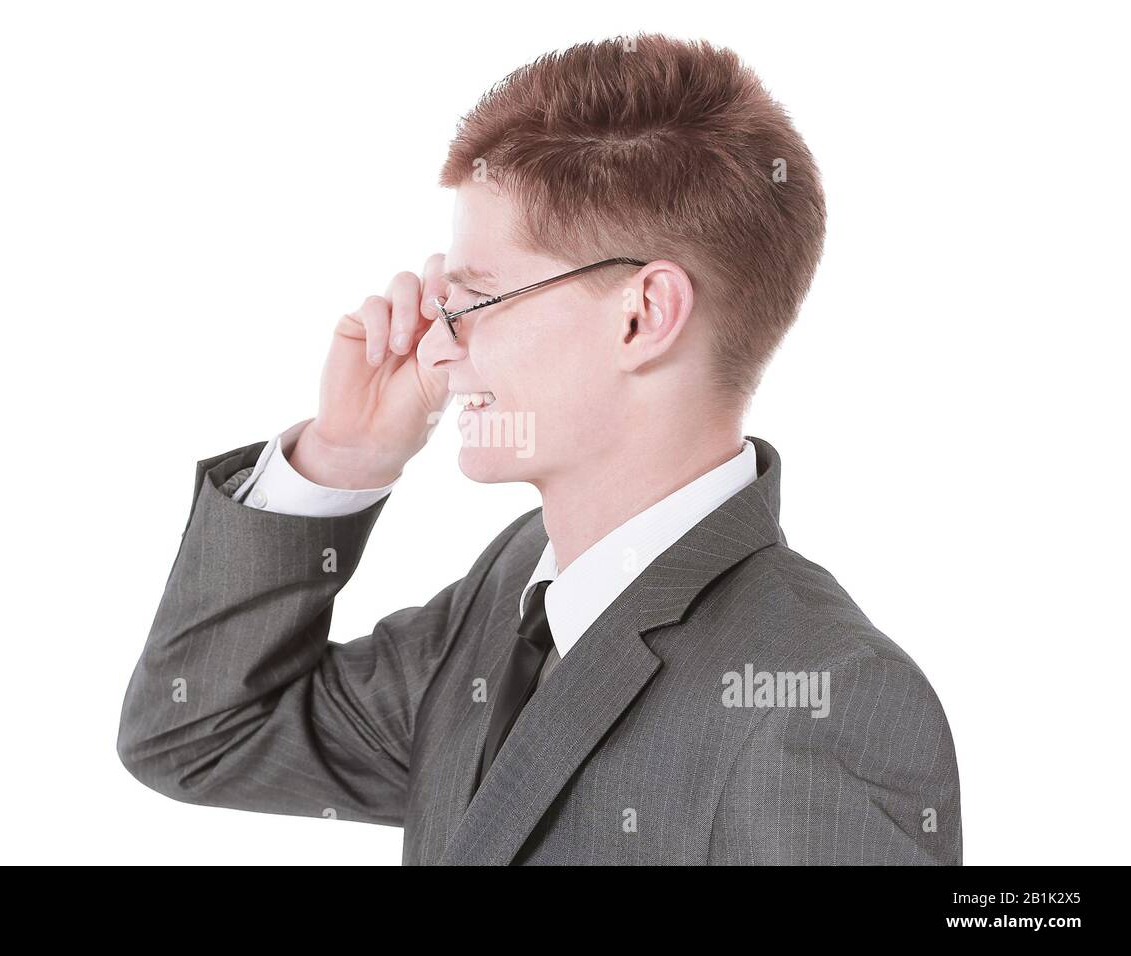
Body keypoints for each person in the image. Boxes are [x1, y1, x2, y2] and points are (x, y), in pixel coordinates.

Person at [118, 34, 961, 865]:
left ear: (642, 315)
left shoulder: (823, 705)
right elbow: (194, 734)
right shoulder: (516, 592)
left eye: (477, 298)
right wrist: (341, 460)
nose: (437, 350)